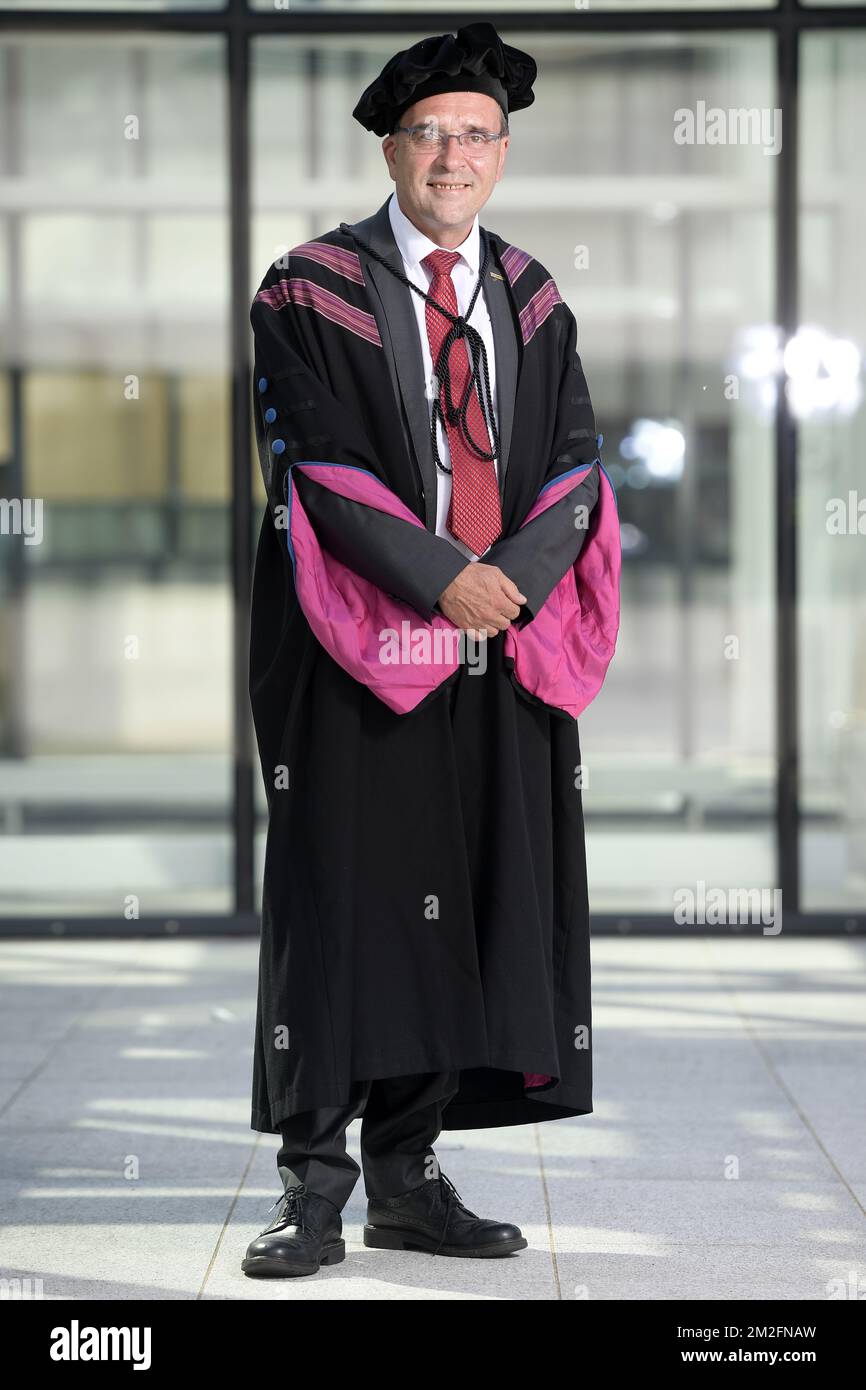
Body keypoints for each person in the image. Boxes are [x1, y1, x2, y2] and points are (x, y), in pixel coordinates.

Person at [242, 21, 621, 1278]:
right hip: (351, 637)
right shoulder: (309, 286)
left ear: (500, 156)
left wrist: (502, 587)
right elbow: (317, 466)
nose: (449, 156)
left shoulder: (530, 294)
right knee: (339, 896)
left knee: (454, 890)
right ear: (391, 149)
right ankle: (312, 1187)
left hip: (491, 641)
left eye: (472, 135)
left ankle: (408, 1179)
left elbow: (572, 462)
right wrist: (439, 577)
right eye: (427, 134)